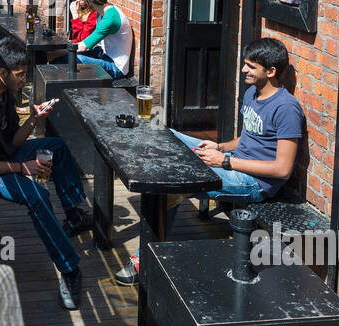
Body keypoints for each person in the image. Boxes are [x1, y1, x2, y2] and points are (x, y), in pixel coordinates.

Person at [116, 37, 306, 285]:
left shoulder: (287, 108)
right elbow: (249, 136)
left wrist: (225, 162)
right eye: (245, 64)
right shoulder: (252, 93)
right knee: (165, 132)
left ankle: (144, 260)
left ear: (271, 71)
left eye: (251, 66)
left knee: (173, 182)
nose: (243, 70)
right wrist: (220, 147)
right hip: (232, 161)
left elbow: (282, 170)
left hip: (255, 182)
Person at [0, 38, 95, 310]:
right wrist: (23, 168)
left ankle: (73, 213)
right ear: (2, 73)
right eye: (20, 75)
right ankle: (70, 270)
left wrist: (33, 120)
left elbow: (11, 143)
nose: (25, 80)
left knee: (56, 147)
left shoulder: (4, 91)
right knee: (36, 195)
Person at [72, 0, 132, 79]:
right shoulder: (102, 12)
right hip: (103, 54)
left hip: (115, 67)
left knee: (71, 59)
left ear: (89, 1)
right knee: (67, 57)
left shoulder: (110, 18)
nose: (78, 1)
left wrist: (61, 51)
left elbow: (83, 46)